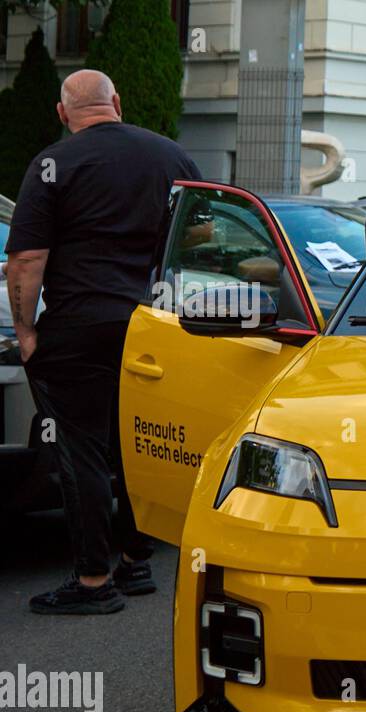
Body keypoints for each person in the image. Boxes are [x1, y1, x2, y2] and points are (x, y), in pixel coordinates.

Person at [5, 70, 201, 614]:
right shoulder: (172, 158)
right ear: (117, 101)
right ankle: (138, 563)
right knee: (141, 443)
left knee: (82, 452)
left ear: (63, 112)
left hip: (81, 325)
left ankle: (93, 581)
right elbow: (204, 237)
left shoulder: (53, 164)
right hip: (155, 327)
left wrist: (25, 332)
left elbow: (26, 259)